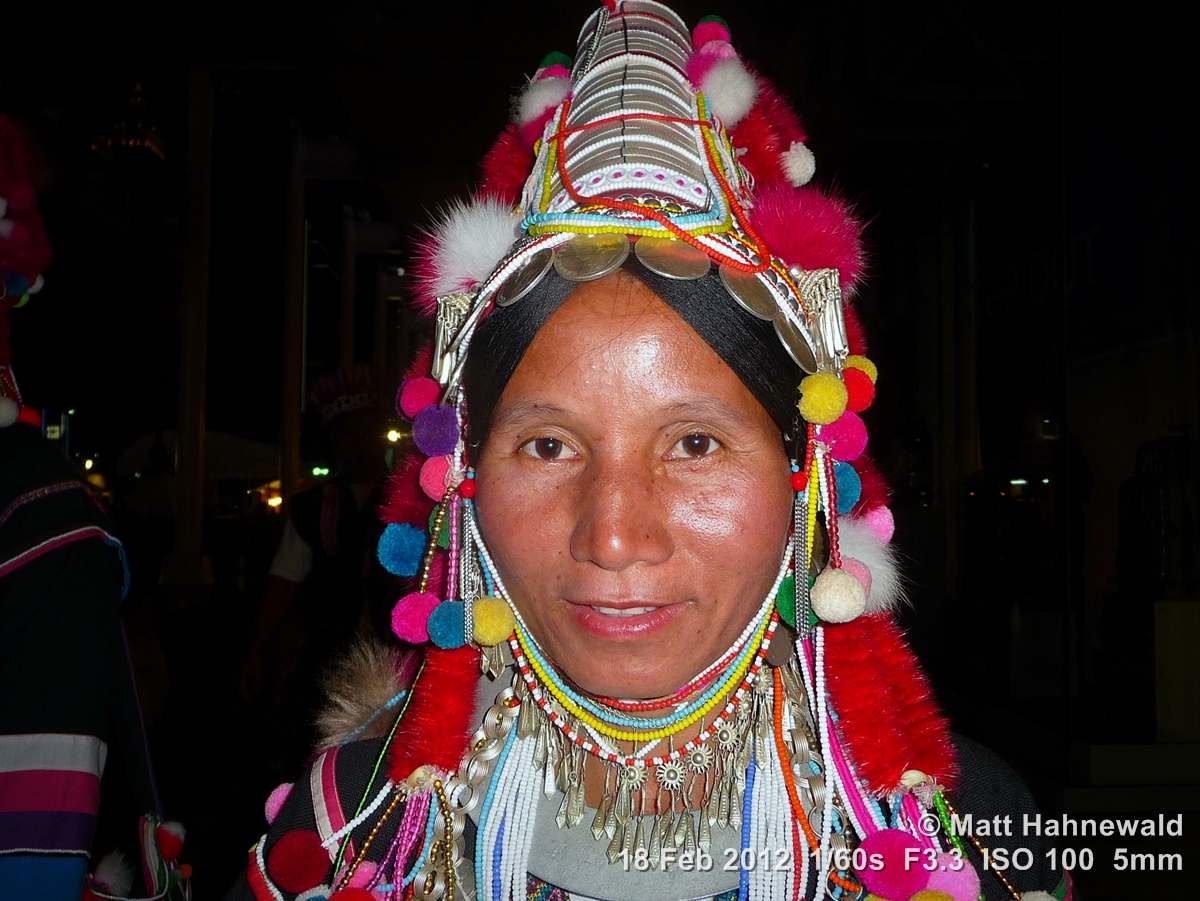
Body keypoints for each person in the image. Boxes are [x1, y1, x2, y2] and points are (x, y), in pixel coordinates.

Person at [228, 3, 1070, 900]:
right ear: (464, 480)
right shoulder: (348, 840)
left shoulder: (965, 835)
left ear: (809, 473)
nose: (615, 537)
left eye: (695, 442)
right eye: (548, 445)